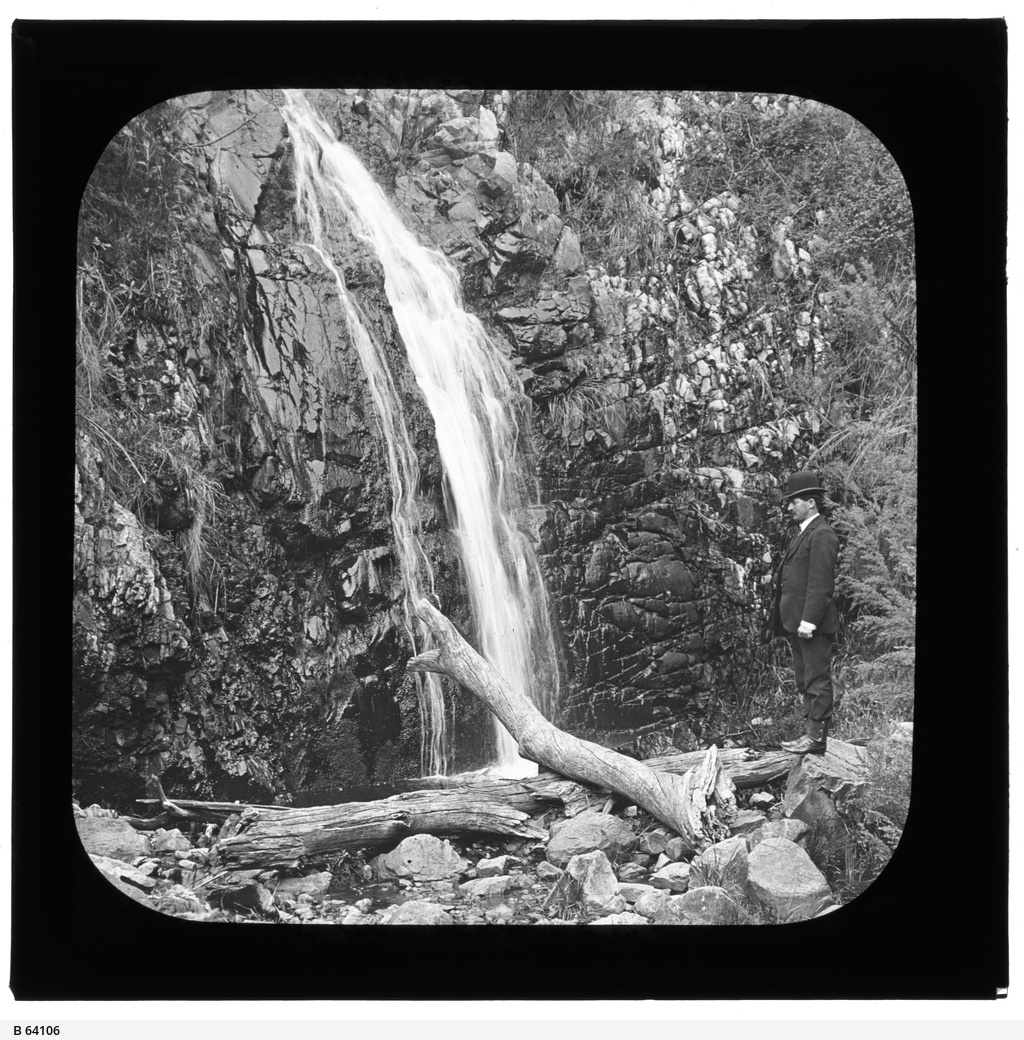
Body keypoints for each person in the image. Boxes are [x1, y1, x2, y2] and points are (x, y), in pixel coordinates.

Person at [772, 470, 840, 755]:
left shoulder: (822, 534)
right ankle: (810, 734)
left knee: (816, 679)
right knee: (804, 678)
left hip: (812, 624)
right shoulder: (805, 533)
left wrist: (809, 621)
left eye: (794, 501)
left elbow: (820, 584)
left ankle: (816, 738)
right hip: (797, 622)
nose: (789, 507)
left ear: (810, 502)